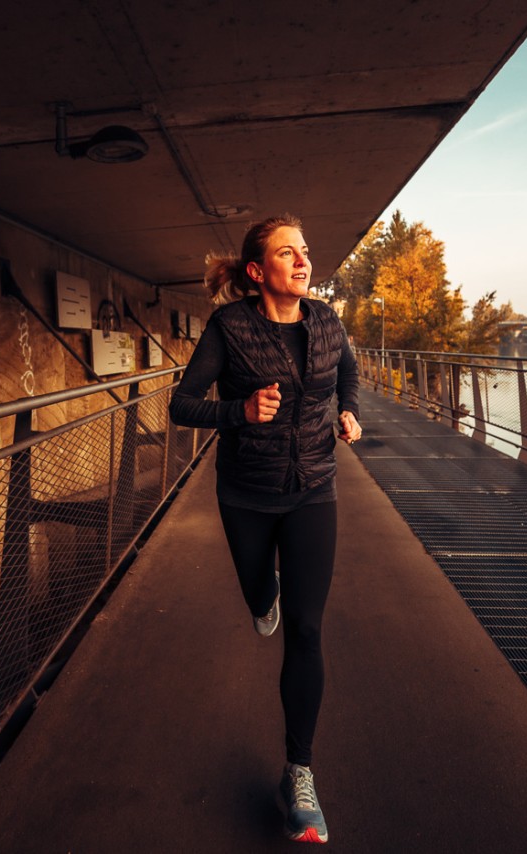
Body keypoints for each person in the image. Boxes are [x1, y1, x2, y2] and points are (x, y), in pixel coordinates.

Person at [169, 214, 361, 844]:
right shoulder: (231, 327)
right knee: (260, 595)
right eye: (288, 253)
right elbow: (181, 403)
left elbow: (349, 374)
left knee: (307, 630)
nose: (303, 262)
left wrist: (350, 411)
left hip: (313, 491)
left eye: (305, 251)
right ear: (258, 272)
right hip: (246, 495)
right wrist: (240, 410)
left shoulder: (327, 321)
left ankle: (299, 774)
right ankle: (262, 591)